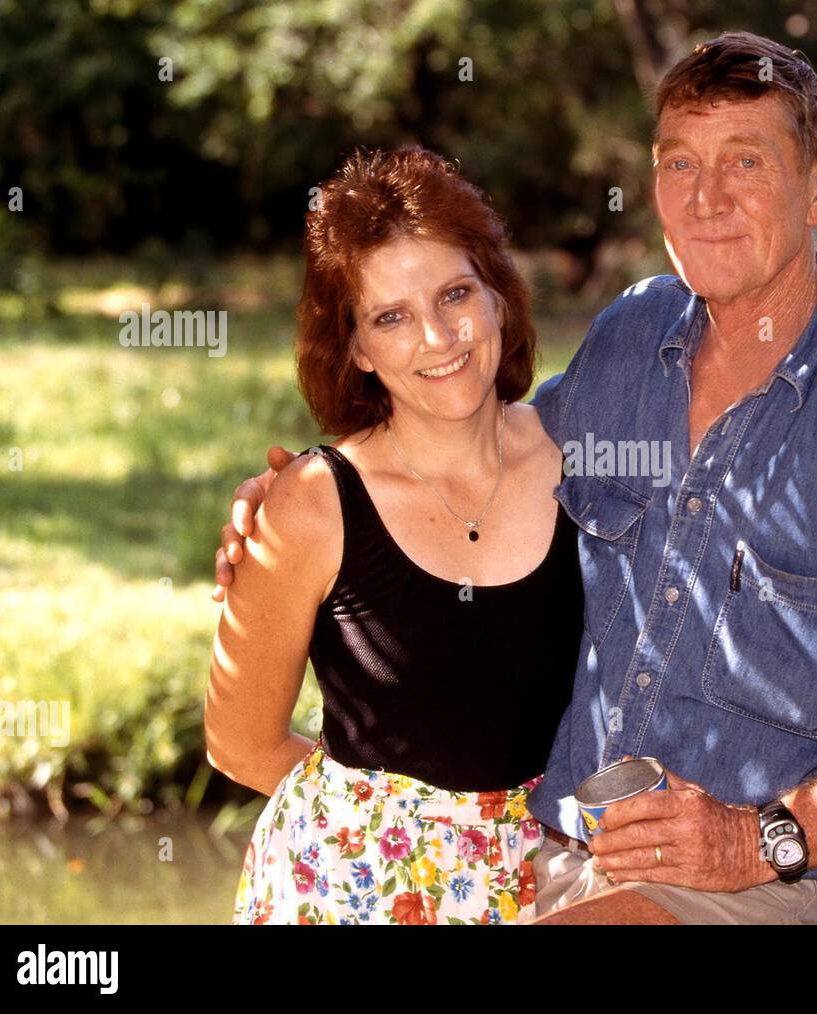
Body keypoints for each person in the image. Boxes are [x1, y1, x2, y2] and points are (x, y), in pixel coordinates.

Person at [216, 32, 817, 925]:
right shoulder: (634, 338)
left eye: (746, 162)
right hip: (537, 858)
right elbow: (477, 435)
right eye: (679, 163)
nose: (706, 198)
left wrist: (756, 839)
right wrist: (312, 493)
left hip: (733, 885)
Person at [205, 146, 583, 925]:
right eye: (391, 318)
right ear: (355, 349)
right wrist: (393, 824)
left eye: (455, 295)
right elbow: (240, 742)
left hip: (549, 890)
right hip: (351, 891)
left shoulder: (583, 461)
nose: (438, 338)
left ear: (499, 300)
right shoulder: (312, 505)